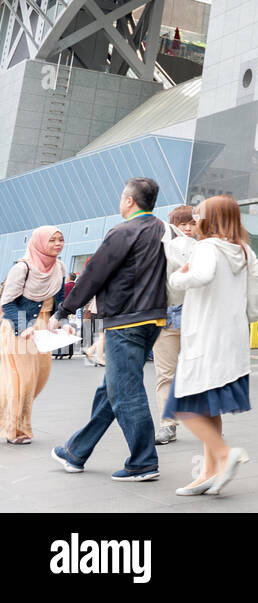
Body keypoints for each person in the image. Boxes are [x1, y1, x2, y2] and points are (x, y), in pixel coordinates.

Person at [51, 178, 170, 481]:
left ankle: (143, 462)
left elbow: (93, 274)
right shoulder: (164, 230)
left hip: (126, 320)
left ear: (129, 201)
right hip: (154, 319)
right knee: (112, 389)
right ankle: (75, 452)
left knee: (126, 392)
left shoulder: (123, 231)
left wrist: (63, 310)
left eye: (121, 197)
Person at [163, 196, 258, 496]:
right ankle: (209, 472)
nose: (195, 220)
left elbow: (201, 275)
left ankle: (224, 455)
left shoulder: (207, 247)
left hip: (204, 337)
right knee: (210, 408)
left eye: (199, 215)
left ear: (212, 218)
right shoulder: (243, 250)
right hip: (231, 339)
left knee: (181, 407)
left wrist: (178, 276)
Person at [0, 226, 67, 443]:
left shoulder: (60, 267)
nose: (58, 244)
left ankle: (9, 417)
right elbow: (7, 302)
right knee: (24, 381)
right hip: (20, 330)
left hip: (43, 331)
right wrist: (22, 327)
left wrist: (63, 322)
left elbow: (59, 303)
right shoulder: (22, 268)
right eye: (52, 240)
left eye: (61, 240)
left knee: (40, 379)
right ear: (39, 242)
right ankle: (18, 430)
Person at [154, 206, 197, 446]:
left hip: (196, 319)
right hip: (167, 316)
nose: (188, 228)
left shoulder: (204, 250)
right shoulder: (163, 249)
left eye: (192, 223)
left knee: (202, 371)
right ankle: (167, 424)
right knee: (165, 375)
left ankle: (211, 420)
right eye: (183, 224)